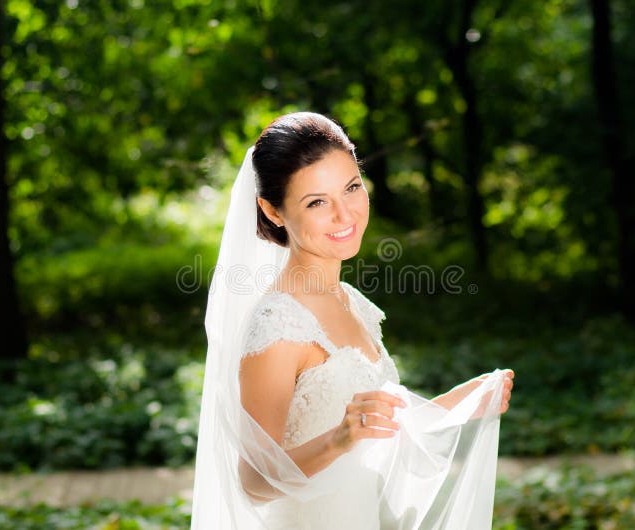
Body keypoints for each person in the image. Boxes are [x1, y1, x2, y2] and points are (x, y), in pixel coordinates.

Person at [191, 112, 514, 530]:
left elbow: (371, 428)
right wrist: (338, 439)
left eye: (351, 188)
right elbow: (254, 481)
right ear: (272, 211)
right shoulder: (276, 325)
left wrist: (455, 406)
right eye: (317, 202)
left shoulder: (352, 301)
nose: (345, 215)